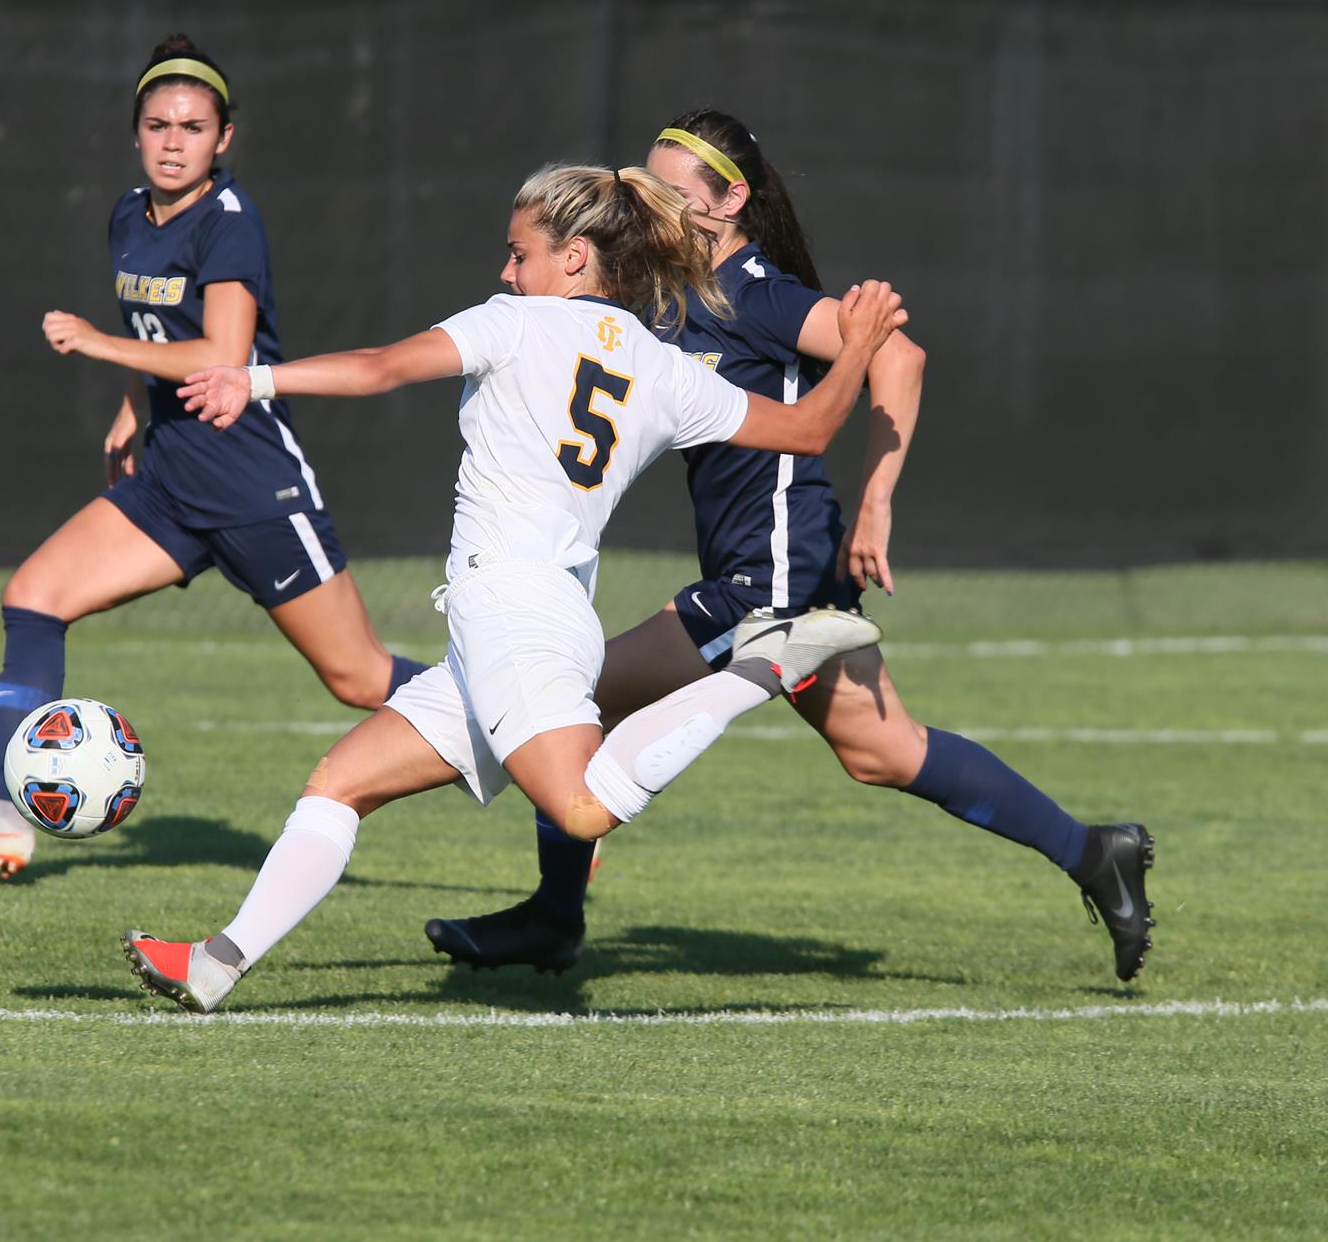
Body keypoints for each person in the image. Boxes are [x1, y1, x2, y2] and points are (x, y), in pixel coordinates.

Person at [120, 164, 909, 1014]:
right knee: (340, 781)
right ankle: (216, 963)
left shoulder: (517, 323)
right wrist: (857, 349)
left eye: (518, 252)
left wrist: (256, 378)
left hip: (513, 614)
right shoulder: (658, 361)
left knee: (579, 810)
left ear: (573, 260)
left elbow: (383, 367)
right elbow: (808, 427)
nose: (505, 270)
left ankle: (761, 670)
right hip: (525, 618)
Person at [424, 110, 1155, 983]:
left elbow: (900, 356)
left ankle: (552, 919)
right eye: (641, 189)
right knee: (884, 751)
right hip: (778, 570)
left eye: (672, 193)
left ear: (731, 201)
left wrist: (877, 501)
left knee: (579, 695)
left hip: (767, 577)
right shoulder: (670, 296)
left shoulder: (755, 294)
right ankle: (1095, 852)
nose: (650, 205)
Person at [0, 35, 423, 879]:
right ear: (135, 133)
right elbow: (161, 338)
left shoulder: (229, 224)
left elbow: (221, 350)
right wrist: (128, 414)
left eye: (193, 126)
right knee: (33, 597)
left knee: (360, 679)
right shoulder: (128, 215)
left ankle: (532, 734)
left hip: (251, 483)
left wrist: (101, 349)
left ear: (224, 139)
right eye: (157, 124)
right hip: (171, 484)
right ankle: (5, 812)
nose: (173, 140)